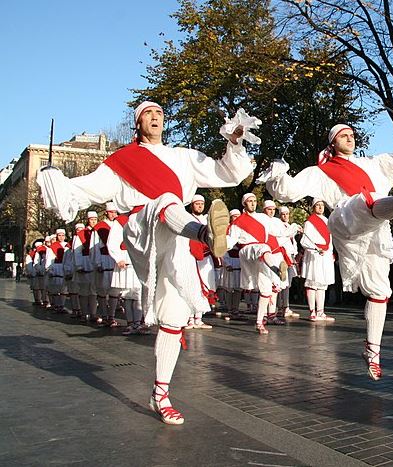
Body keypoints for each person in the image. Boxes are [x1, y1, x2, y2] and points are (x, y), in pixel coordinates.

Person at [37, 101, 257, 425]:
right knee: (168, 199)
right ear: (137, 123)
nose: (155, 117)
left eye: (159, 114)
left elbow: (225, 173)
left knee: (174, 314)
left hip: (175, 235)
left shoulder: (183, 156)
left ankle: (160, 393)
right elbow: (86, 189)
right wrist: (57, 182)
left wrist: (235, 142)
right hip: (142, 230)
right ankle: (205, 234)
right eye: (147, 114)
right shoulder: (121, 161)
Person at [263, 94, 393, 380]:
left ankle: (373, 350)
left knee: (380, 292)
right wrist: (277, 174)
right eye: (344, 135)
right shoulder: (319, 172)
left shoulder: (374, 163)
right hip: (346, 222)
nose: (350, 138)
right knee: (361, 202)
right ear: (332, 142)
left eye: (352, 134)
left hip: (376, 231)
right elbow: (287, 192)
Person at [227, 193, 300, 334]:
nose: (253, 203)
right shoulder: (238, 222)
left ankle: (260, 322)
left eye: (254, 201)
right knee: (264, 248)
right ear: (244, 204)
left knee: (266, 290)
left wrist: (293, 228)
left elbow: (277, 231)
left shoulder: (263, 218)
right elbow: (230, 241)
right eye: (249, 201)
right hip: (247, 251)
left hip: (263, 256)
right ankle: (276, 269)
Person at [300, 198, 336, 321]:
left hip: (325, 254)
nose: (320, 207)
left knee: (322, 284)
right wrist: (315, 249)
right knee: (313, 282)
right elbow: (305, 241)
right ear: (313, 207)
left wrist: (330, 253)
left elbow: (330, 240)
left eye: (322, 205)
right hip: (314, 254)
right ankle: (312, 311)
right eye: (318, 205)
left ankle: (321, 311)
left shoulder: (327, 220)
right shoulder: (309, 222)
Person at [186, 193, 214, 330]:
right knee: (192, 286)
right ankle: (189, 318)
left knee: (204, 288)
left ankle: (199, 318)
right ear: (192, 205)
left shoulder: (206, 220)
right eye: (197, 204)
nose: (200, 206)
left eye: (202, 204)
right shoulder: (187, 219)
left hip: (206, 258)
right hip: (191, 257)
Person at [91, 203, 121, 326]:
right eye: (111, 212)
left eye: (115, 212)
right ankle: (104, 315)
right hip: (104, 259)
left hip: (116, 259)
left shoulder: (120, 225)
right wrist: (97, 263)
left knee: (115, 290)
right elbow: (95, 246)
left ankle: (111, 316)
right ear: (106, 213)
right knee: (102, 289)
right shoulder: (99, 227)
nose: (113, 214)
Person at [276, 205, 300, 319]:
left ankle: (286, 306)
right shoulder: (279, 226)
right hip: (282, 256)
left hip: (290, 256)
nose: (285, 216)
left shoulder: (290, 226)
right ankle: (281, 306)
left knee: (288, 284)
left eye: (287, 214)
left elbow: (293, 243)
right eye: (283, 214)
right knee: (282, 282)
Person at [45, 229, 69, 313]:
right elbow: (49, 259)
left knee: (63, 289)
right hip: (55, 268)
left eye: (63, 235)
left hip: (64, 267)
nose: (61, 237)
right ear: (57, 236)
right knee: (55, 289)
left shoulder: (67, 245)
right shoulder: (53, 246)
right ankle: (55, 305)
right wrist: (49, 269)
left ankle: (61, 305)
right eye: (59, 235)